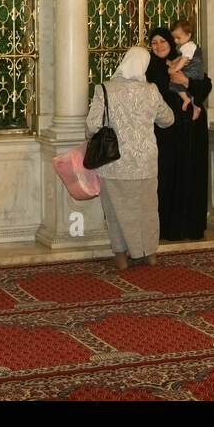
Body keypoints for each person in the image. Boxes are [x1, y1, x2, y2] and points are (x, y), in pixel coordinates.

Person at [86, 46, 175, 269]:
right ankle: (149, 254)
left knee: (116, 211)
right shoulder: (151, 90)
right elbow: (168, 119)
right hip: (145, 162)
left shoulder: (104, 89)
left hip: (114, 162)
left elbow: (92, 124)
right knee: (147, 210)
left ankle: (121, 257)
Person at [147, 25, 213, 241]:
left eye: (163, 41)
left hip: (192, 129)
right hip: (165, 133)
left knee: (191, 174)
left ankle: (191, 228)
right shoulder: (149, 68)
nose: (159, 46)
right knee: (167, 177)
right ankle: (167, 229)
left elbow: (206, 85)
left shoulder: (186, 59)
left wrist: (186, 81)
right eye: (154, 42)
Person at [168, 18, 206, 120]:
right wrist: (173, 62)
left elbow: (183, 60)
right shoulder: (187, 45)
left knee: (173, 82)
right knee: (192, 91)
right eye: (174, 38)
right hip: (196, 73)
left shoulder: (188, 46)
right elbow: (180, 58)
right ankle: (195, 106)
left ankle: (186, 99)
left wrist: (174, 69)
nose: (176, 41)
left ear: (188, 35)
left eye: (178, 38)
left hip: (193, 71)